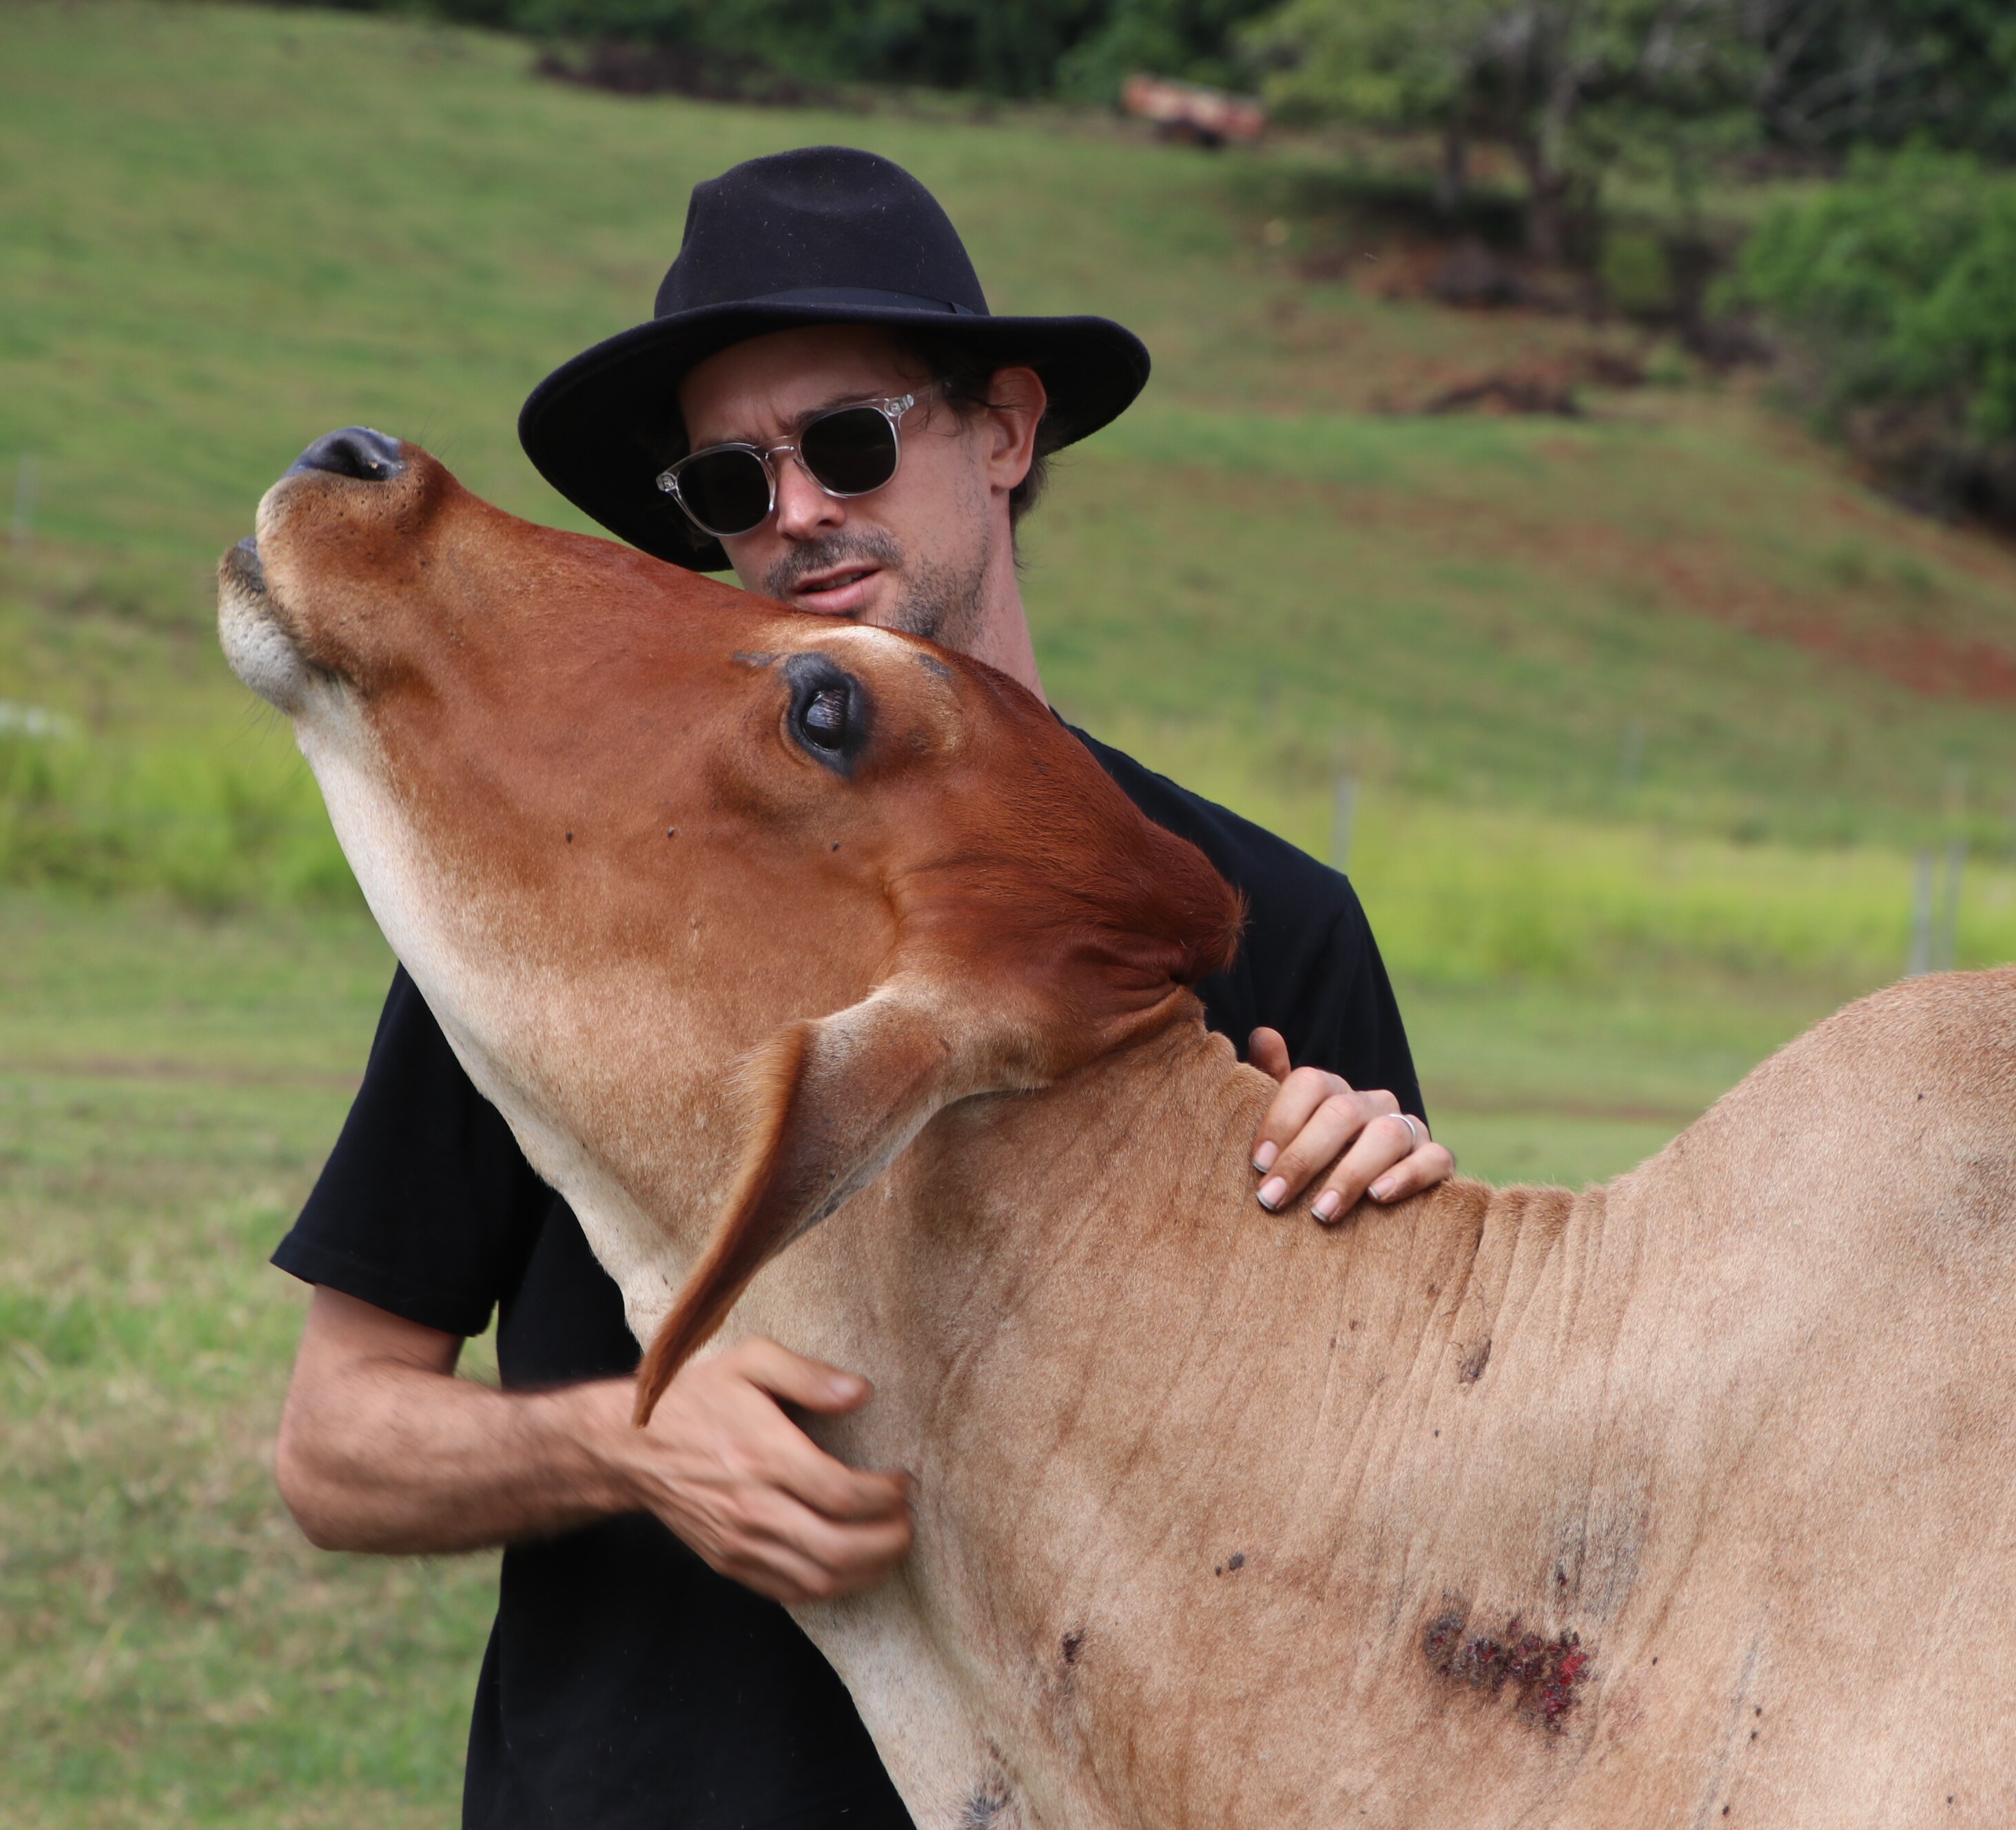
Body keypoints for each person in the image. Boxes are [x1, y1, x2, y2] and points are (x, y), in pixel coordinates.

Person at [267, 145, 1452, 1830]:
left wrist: (1372, 1226)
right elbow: (334, 1442)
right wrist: (631, 1443)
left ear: (1006, 431)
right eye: (730, 483)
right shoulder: (574, 899)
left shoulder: (1272, 918)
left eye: (847, 441)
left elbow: (1386, 1526)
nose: (798, 511)